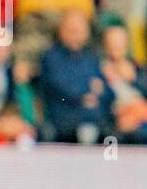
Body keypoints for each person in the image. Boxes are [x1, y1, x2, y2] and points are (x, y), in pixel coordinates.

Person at [40, 9, 112, 144]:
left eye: (79, 29)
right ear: (61, 30)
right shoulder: (51, 57)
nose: (75, 33)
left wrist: (100, 93)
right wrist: (85, 95)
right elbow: (60, 87)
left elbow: (106, 90)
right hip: (65, 117)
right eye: (71, 29)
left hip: (95, 117)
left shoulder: (92, 57)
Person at [99, 24, 147, 145]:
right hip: (115, 119)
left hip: (142, 118)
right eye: (112, 44)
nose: (115, 48)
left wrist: (133, 79)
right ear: (105, 45)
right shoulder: (98, 68)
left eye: (119, 44)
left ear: (127, 45)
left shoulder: (138, 68)